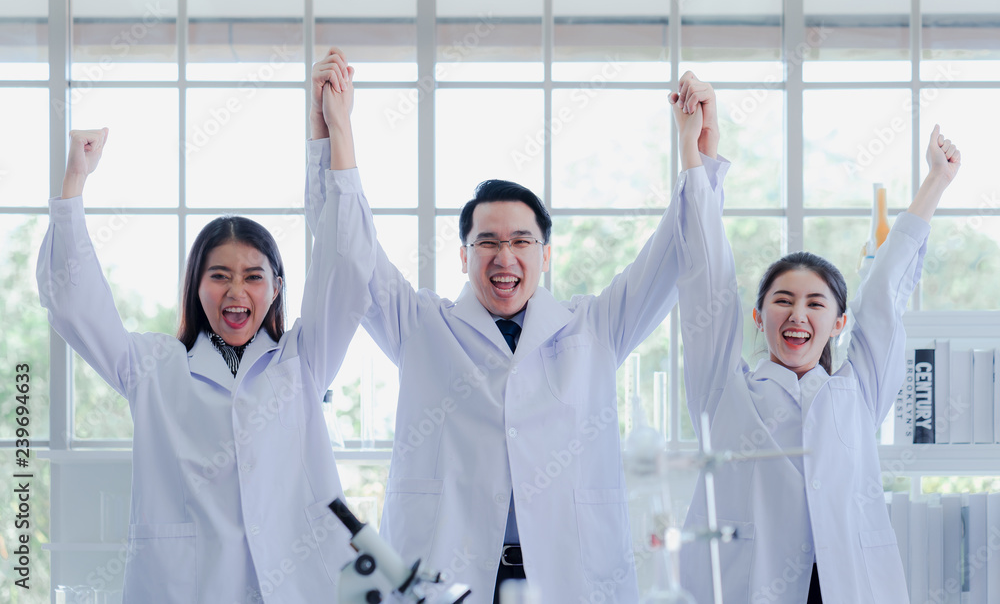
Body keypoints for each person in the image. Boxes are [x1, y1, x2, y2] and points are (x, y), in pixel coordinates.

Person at [304, 48, 728, 603]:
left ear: (545, 255)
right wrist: (333, 134)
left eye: (522, 242)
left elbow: (676, 254)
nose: (505, 257)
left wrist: (698, 156)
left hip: (569, 575)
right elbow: (347, 253)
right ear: (463, 256)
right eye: (488, 242)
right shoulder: (422, 325)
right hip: (449, 571)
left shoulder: (595, 326)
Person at [37, 123, 370, 602]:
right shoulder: (153, 368)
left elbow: (349, 269)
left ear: (276, 288)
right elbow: (72, 304)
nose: (236, 292)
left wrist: (334, 132)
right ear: (196, 285)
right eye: (219, 276)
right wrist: (74, 183)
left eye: (253, 276)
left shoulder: (303, 359)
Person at [671, 72, 961, 603]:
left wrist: (935, 183)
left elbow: (885, 292)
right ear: (757, 316)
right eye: (782, 300)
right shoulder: (726, 392)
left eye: (815, 303)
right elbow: (705, 279)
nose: (797, 315)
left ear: (839, 323)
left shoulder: (857, 390)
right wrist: (696, 156)